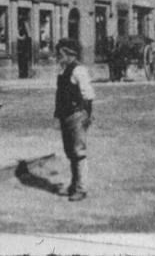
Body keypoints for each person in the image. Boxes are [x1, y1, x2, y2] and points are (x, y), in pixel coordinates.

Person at [54, 38, 95, 202]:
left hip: (77, 115)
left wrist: (87, 116)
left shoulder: (79, 70)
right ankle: (73, 184)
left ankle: (81, 188)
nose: (58, 57)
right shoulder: (63, 70)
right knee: (70, 152)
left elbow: (88, 95)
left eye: (60, 54)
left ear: (67, 53)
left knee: (78, 152)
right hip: (65, 115)